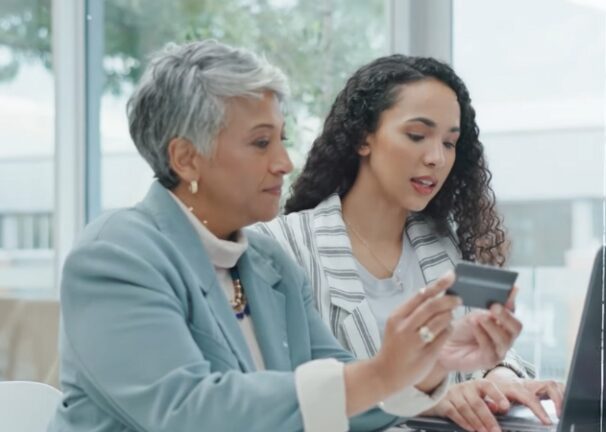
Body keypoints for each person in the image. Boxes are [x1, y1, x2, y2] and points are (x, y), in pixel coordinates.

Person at [48, 41, 521, 432]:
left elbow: (345, 398)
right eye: (260, 142)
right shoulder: (116, 256)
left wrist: (431, 363)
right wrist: (380, 373)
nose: (284, 162)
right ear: (186, 158)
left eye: (282, 138)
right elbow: (190, 412)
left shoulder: (267, 262)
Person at [256, 54, 565, 432]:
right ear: (362, 138)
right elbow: (282, 396)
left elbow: (478, 356)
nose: (436, 158)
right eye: (416, 136)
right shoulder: (280, 247)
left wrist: (502, 378)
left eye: (450, 143)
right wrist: (424, 398)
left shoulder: (443, 244)